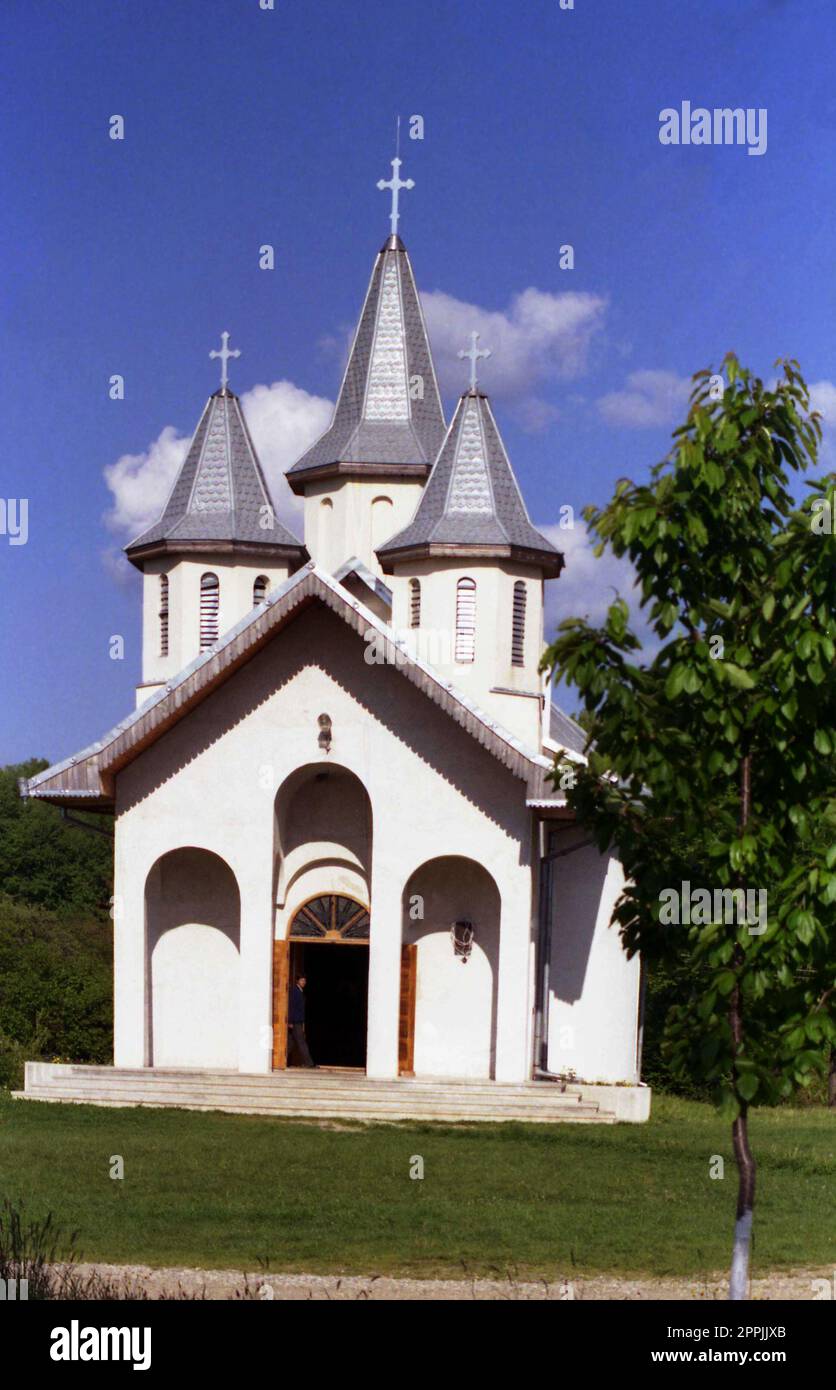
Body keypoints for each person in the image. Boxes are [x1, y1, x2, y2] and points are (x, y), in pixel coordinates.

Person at [288, 975, 315, 1068]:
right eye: (302, 980)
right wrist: (290, 1021)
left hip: (298, 1020)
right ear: (297, 981)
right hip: (295, 1021)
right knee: (301, 1042)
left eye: (305, 980)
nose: (304, 982)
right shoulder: (295, 991)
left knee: (291, 1042)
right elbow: (291, 1006)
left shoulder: (300, 991)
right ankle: (309, 1063)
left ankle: (281, 1060)